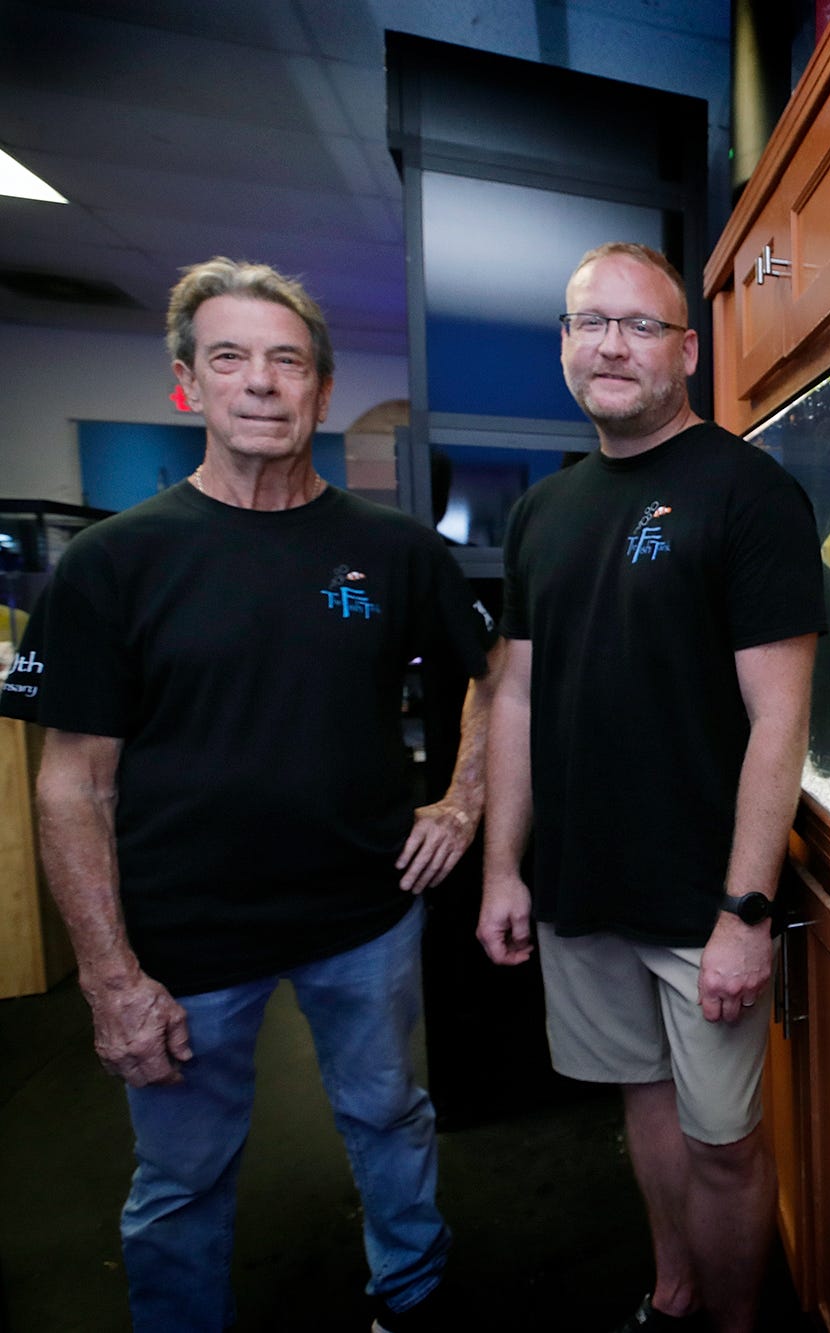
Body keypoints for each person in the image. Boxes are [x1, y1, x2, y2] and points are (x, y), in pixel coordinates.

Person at [0, 258, 498, 1333]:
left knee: (389, 1116)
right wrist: (107, 976)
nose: (262, 383)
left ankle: (410, 1292)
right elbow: (71, 780)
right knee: (181, 1177)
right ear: (189, 385)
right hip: (182, 937)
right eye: (231, 358)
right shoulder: (109, 564)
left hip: (363, 915)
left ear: (318, 389)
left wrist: (460, 804)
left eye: (287, 361)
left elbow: (488, 680)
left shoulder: (395, 552)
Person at [477, 241, 823, 1333]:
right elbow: (517, 701)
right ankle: (671, 1293)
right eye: (591, 324)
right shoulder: (543, 511)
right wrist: (501, 868)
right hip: (582, 887)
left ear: (684, 350)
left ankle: (732, 1321)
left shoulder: (749, 493)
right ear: (567, 347)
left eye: (639, 326)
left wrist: (743, 912)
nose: (612, 345)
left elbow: (781, 717)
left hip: (698, 901)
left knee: (725, 1139)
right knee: (643, 1099)